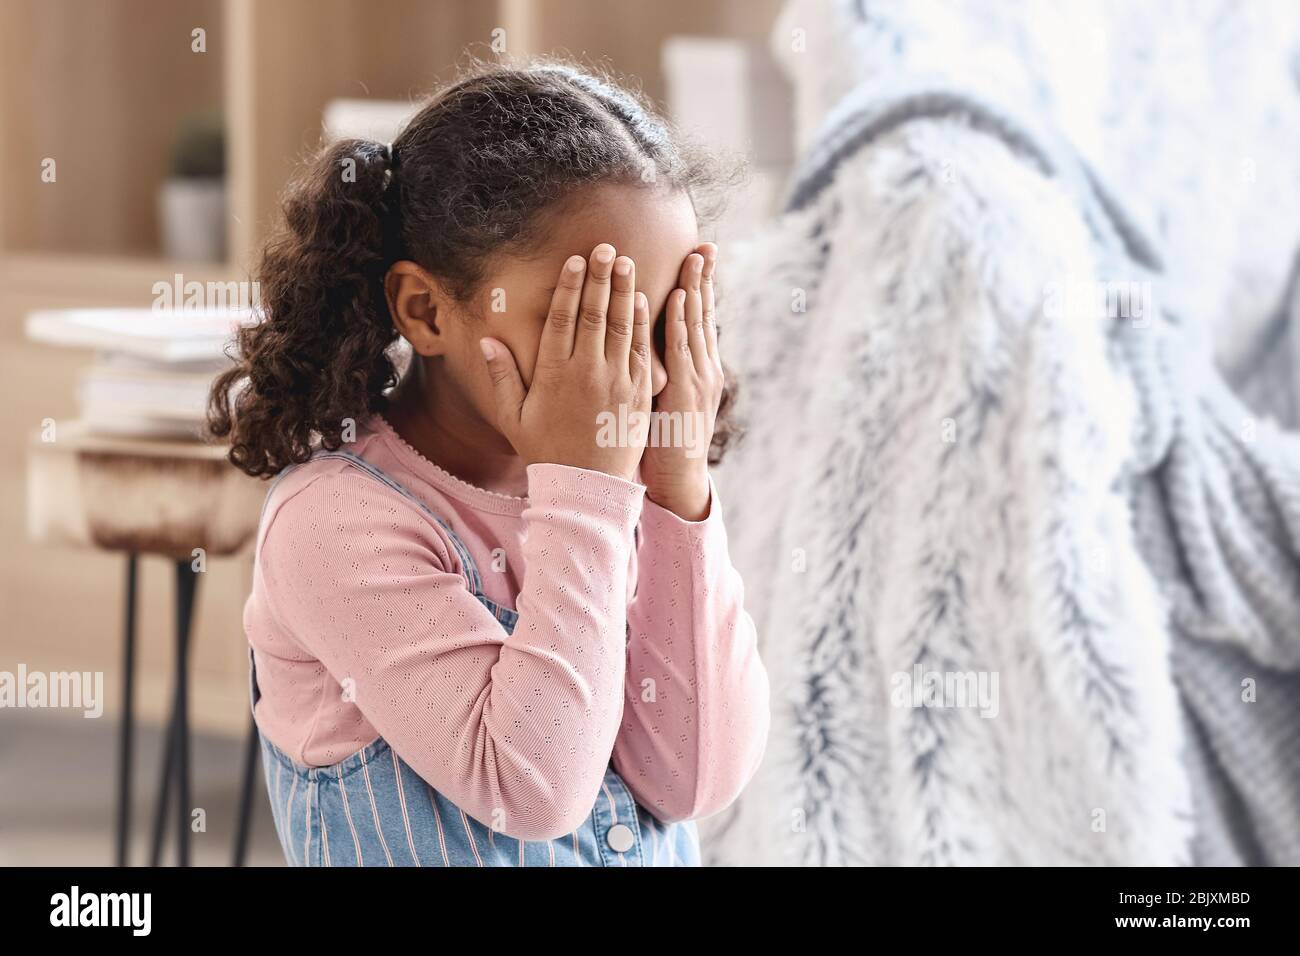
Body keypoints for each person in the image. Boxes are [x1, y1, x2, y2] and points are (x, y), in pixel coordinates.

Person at [208, 62, 770, 867]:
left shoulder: (635, 491)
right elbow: (533, 789)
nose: (638, 377)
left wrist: (678, 492)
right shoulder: (336, 522)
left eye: (661, 326)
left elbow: (696, 782)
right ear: (427, 311)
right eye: (586, 324)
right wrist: (584, 492)